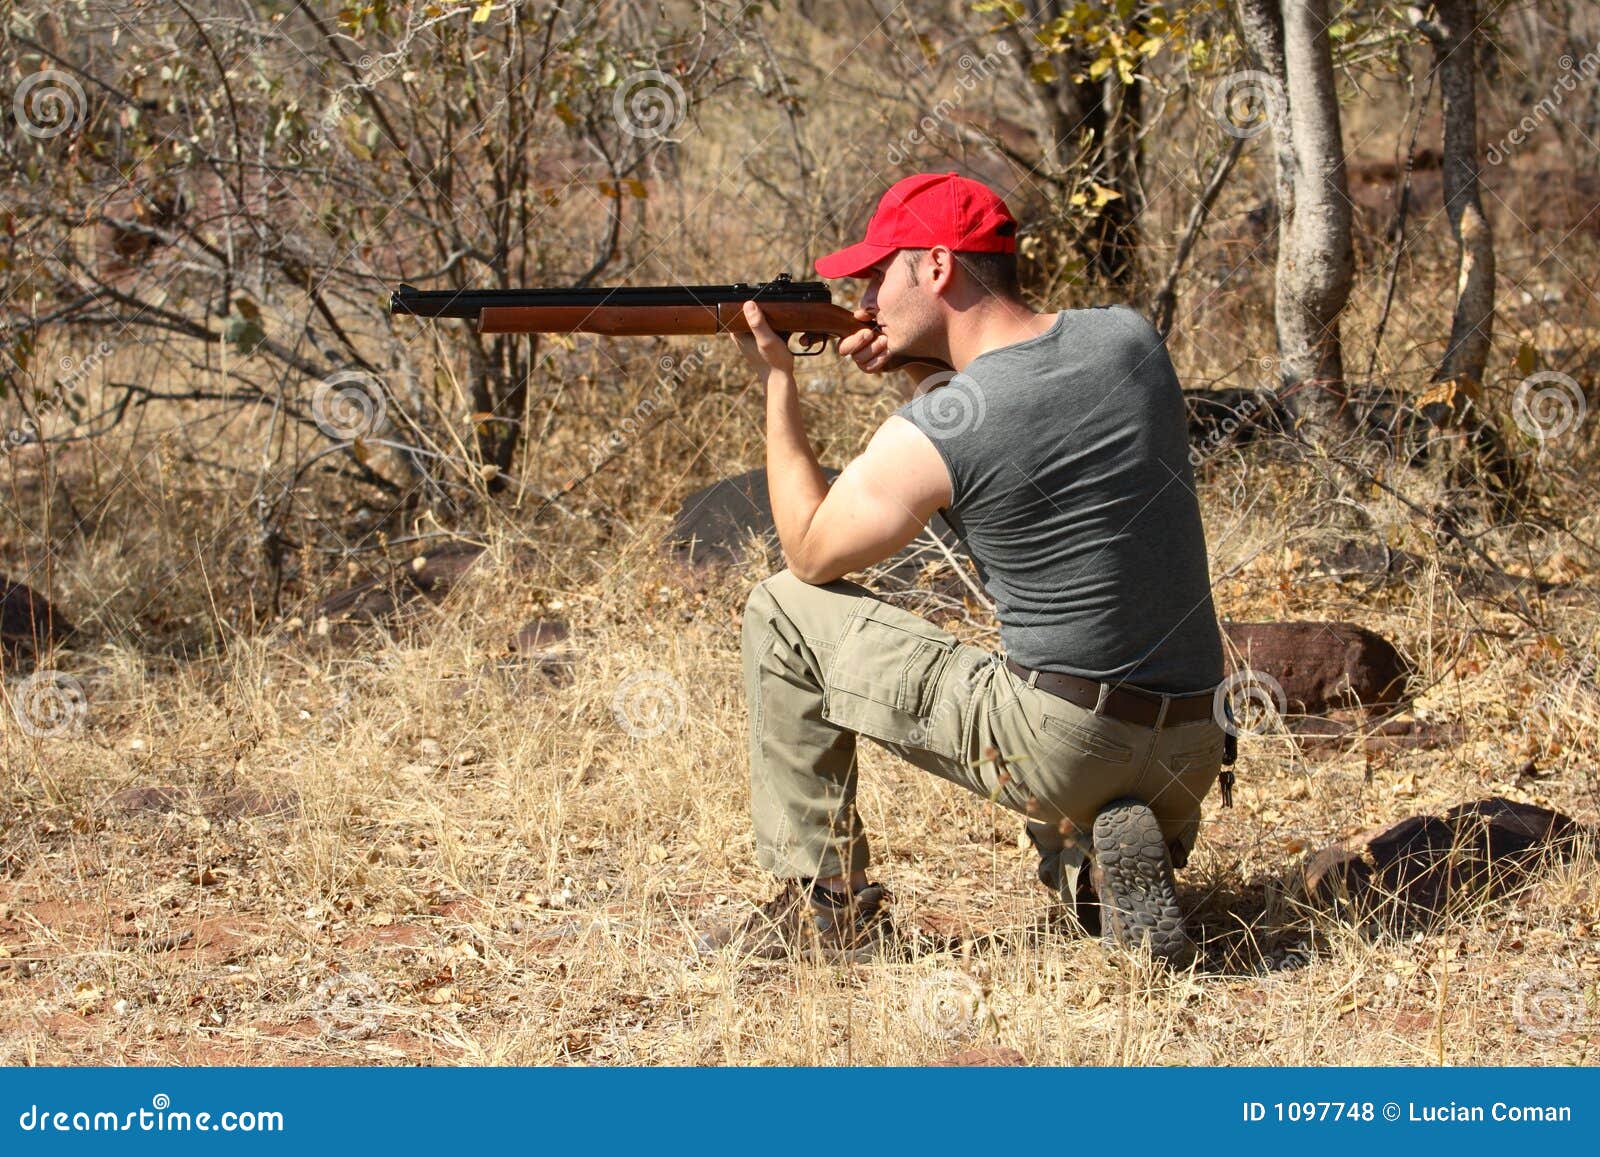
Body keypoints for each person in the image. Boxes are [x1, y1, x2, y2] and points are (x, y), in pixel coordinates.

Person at [696, 171, 1227, 968]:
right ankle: (1092, 873)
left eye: (880, 272)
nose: (865, 293)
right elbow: (1011, 406)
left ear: (937, 268)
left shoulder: (937, 428)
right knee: (1070, 705)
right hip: (1193, 743)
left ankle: (826, 905)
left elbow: (808, 549)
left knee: (780, 608)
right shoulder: (1129, 339)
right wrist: (920, 366)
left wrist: (778, 382)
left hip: (1065, 743)